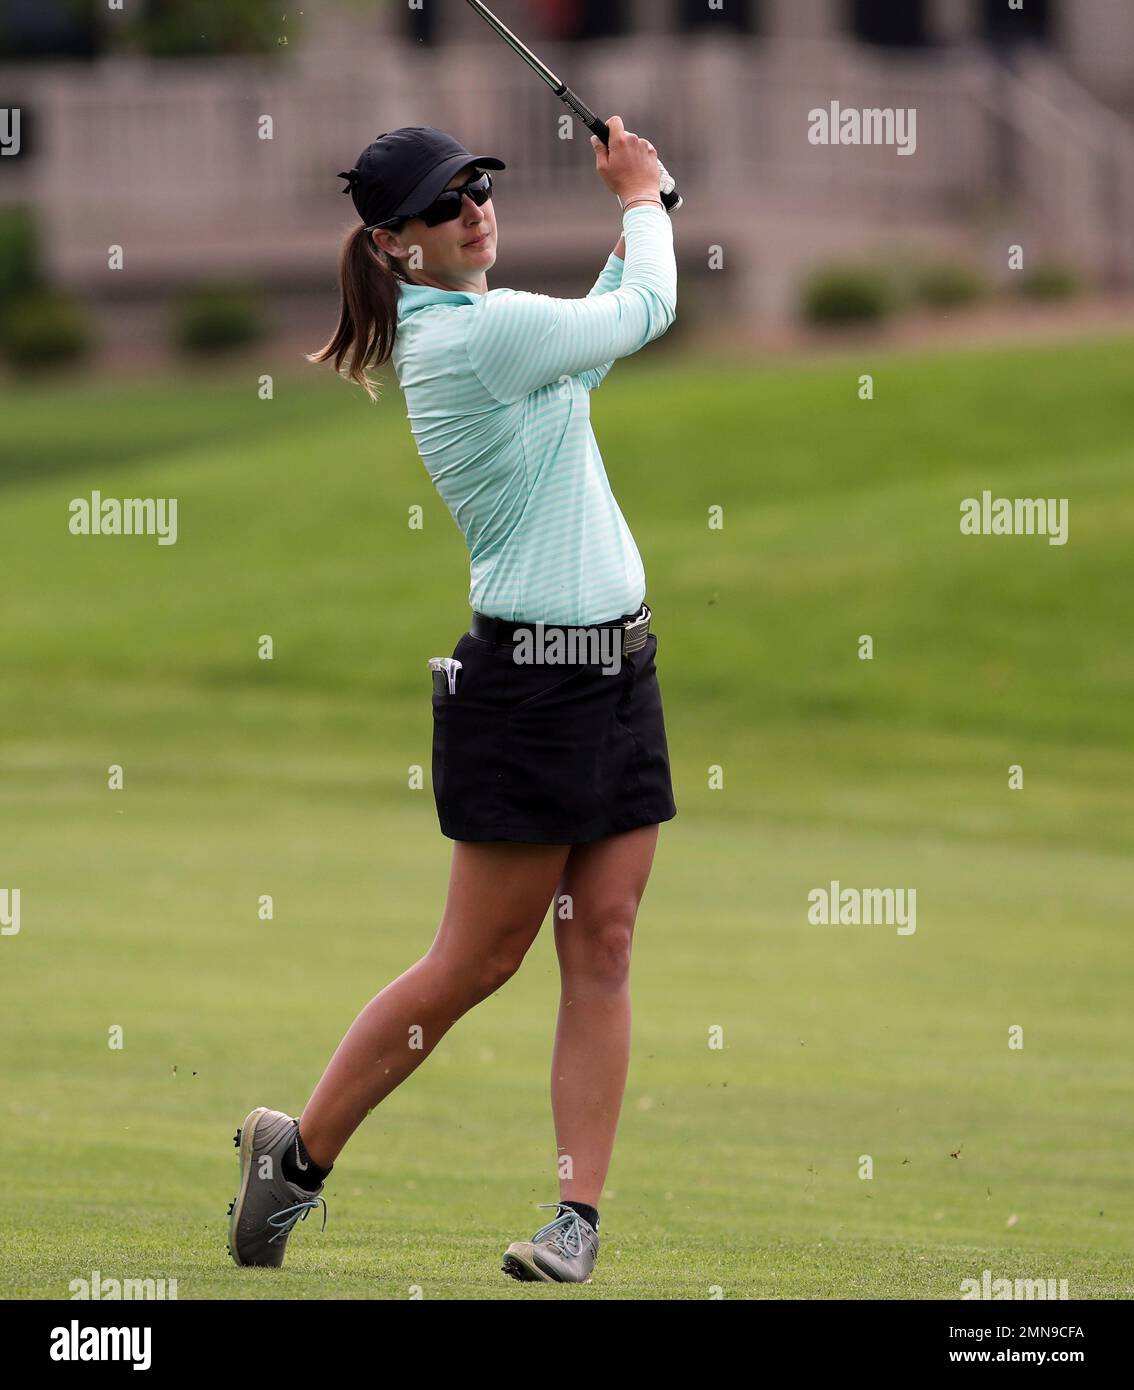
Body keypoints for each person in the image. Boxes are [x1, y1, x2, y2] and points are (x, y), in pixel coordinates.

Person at [227, 120, 678, 1284]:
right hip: (528, 690)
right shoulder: (467, 340)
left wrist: (646, 216)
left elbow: (598, 336)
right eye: (443, 205)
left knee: (608, 944)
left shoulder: (502, 326)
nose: (472, 207)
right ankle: (298, 1155)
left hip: (620, 671)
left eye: (478, 187)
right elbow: (638, 316)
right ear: (395, 245)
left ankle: (576, 1218)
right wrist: (645, 199)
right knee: (475, 963)